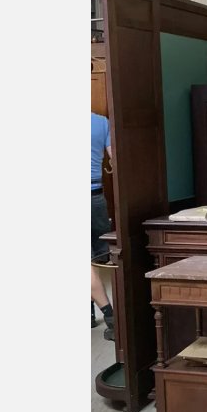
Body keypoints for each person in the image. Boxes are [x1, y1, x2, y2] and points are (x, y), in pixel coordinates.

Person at [91, 111, 115, 340]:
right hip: (96, 197)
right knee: (97, 257)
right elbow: (114, 159)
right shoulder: (101, 123)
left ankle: (111, 318)